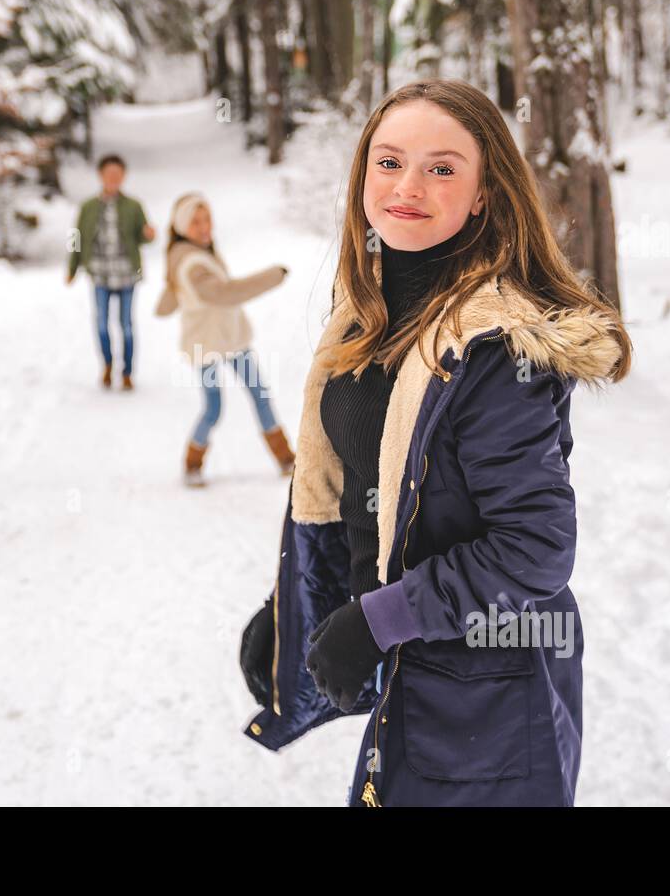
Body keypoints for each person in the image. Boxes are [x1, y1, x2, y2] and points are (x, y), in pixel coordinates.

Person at [238, 79, 633, 806]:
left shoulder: (493, 349)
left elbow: (535, 548)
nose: (407, 186)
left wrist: (374, 620)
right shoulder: (367, 313)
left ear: (485, 193)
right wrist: (296, 605)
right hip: (420, 665)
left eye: (442, 168)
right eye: (388, 162)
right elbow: (365, 492)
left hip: (489, 685)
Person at [153, 193, 297, 487]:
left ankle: (285, 458)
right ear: (182, 227)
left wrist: (169, 298)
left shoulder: (194, 252)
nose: (205, 227)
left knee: (259, 393)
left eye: (207, 219)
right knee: (214, 407)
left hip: (229, 338)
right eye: (196, 222)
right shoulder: (192, 262)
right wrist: (272, 276)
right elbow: (226, 292)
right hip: (206, 343)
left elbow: (169, 301)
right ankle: (192, 464)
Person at [66, 153, 155, 390]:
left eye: (118, 174)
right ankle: (107, 365)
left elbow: (141, 237)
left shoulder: (134, 206)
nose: (113, 178)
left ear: (123, 177)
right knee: (102, 325)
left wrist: (148, 235)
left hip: (127, 274)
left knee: (126, 325)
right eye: (109, 174)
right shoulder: (88, 207)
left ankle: (126, 372)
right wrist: (72, 268)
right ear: (101, 176)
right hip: (99, 273)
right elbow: (77, 238)